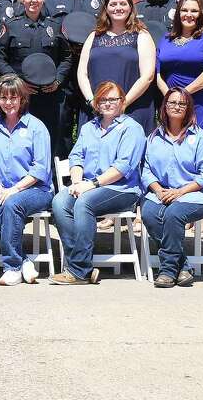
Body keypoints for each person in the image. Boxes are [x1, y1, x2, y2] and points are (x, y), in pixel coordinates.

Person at [50, 80, 146, 285]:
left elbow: (123, 168)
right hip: (87, 186)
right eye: (103, 99)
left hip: (123, 189)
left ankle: (78, 270)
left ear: (122, 102)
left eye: (113, 99)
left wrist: (90, 185)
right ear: (96, 103)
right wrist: (76, 183)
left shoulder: (132, 129)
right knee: (59, 201)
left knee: (85, 202)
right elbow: (76, 158)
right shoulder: (88, 128)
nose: (108, 103)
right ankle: (81, 264)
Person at [141, 88, 203, 288]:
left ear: (188, 109)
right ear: (165, 106)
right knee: (150, 213)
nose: (176, 107)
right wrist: (158, 189)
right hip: (164, 193)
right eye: (172, 102)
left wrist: (181, 192)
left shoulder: (201, 138)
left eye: (182, 103)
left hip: (197, 196)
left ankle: (168, 270)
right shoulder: (153, 138)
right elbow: (145, 170)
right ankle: (182, 265)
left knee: (174, 214)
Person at [0, 75, 53, 286]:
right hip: (3, 189)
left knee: (12, 203)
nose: (8, 102)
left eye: (13, 97)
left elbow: (41, 168)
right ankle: (23, 260)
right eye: (3, 97)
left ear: (22, 99)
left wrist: (14, 190)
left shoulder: (37, 127)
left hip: (36, 190)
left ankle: (11, 267)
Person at [0, 0, 72, 155]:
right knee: (22, 140)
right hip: (21, 97)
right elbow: (0, 58)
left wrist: (58, 80)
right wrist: (17, 83)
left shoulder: (55, 25)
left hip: (49, 94)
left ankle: (53, 177)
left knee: (52, 138)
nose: (33, 0)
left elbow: (66, 57)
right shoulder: (11, 25)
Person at [75, 0, 157, 131]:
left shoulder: (142, 35)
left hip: (132, 110)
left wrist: (122, 104)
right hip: (96, 111)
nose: (118, 8)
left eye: (122, 4)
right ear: (106, 8)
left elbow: (148, 76)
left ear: (130, 7)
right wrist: (92, 101)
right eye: (113, 4)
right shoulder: (94, 36)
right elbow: (82, 73)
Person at [43, 0, 101, 152]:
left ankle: (88, 172)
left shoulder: (100, 1)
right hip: (62, 73)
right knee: (61, 124)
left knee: (92, 122)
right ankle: (62, 175)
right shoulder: (51, 2)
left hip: (92, 71)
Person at [156, 0, 203, 137]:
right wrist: (170, 97)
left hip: (200, 101)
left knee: (197, 142)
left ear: (201, 14)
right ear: (178, 13)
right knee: (172, 142)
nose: (189, 14)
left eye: (194, 11)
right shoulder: (165, 39)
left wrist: (182, 95)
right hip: (172, 103)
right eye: (184, 10)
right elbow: (156, 72)